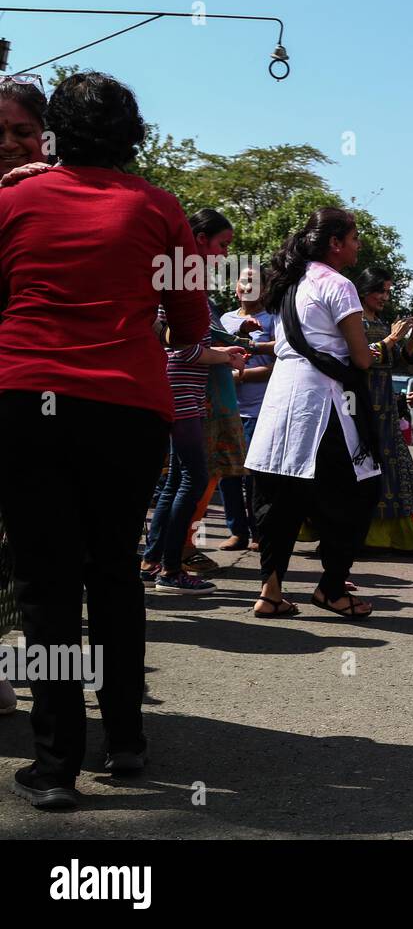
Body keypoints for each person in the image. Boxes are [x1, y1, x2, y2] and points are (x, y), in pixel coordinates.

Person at [0, 71, 211, 808]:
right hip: (128, 409)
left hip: (24, 400)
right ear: (132, 134)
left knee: (46, 585)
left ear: (54, 131)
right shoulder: (162, 210)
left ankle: (55, 767)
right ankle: (126, 741)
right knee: (115, 571)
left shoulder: (13, 202)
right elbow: (192, 325)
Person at [244, 208, 381, 620]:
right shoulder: (339, 285)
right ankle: (332, 589)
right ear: (335, 243)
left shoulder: (290, 284)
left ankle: (270, 592)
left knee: (278, 495)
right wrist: (374, 354)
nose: (358, 245)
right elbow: (359, 357)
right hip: (325, 405)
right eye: (354, 238)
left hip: (281, 400)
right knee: (356, 494)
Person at [140, 213, 249, 593]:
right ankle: (170, 570)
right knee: (194, 477)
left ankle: (155, 560)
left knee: (177, 480)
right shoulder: (178, 279)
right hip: (178, 388)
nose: (225, 255)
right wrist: (224, 356)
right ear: (200, 240)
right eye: (222, 245)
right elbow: (176, 349)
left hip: (183, 389)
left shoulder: (182, 278)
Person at [0, 73, 49, 719]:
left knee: (16, 542)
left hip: (36, 394)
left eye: (22, 132)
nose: (9, 144)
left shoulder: (66, 193)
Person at [353, 266, 413, 552]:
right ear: (365, 290)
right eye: (380, 291)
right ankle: (361, 536)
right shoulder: (354, 323)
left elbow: (403, 362)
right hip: (361, 404)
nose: (385, 297)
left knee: (392, 469)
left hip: (385, 404)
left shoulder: (383, 321)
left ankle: (398, 536)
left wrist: (412, 336)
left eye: (388, 291)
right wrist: (392, 339)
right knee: (364, 469)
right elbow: (362, 358)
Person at [220, 265, 278, 550]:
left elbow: (275, 367)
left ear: (265, 290)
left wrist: (237, 376)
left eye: (254, 282)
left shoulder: (274, 319)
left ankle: (259, 532)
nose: (247, 287)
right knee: (228, 473)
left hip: (260, 410)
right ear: (235, 288)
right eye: (243, 282)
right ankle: (236, 531)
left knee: (255, 474)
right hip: (228, 408)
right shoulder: (224, 319)